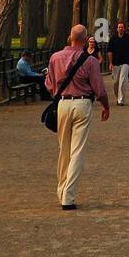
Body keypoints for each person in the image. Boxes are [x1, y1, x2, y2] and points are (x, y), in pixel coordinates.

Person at [45, 24, 110, 209]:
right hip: (82, 103)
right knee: (77, 151)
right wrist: (106, 106)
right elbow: (99, 89)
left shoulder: (55, 58)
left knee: (63, 150)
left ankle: (61, 189)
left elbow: (49, 85)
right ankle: (68, 195)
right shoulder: (90, 61)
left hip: (63, 104)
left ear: (69, 36)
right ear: (85, 38)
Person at [106, 21, 129, 105]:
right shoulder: (113, 39)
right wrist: (110, 63)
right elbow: (110, 52)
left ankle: (121, 100)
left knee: (123, 81)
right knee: (116, 82)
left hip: (125, 62)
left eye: (122, 27)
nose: (120, 29)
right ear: (117, 29)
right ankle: (118, 97)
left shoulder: (128, 38)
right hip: (115, 63)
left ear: (124, 28)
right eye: (119, 27)